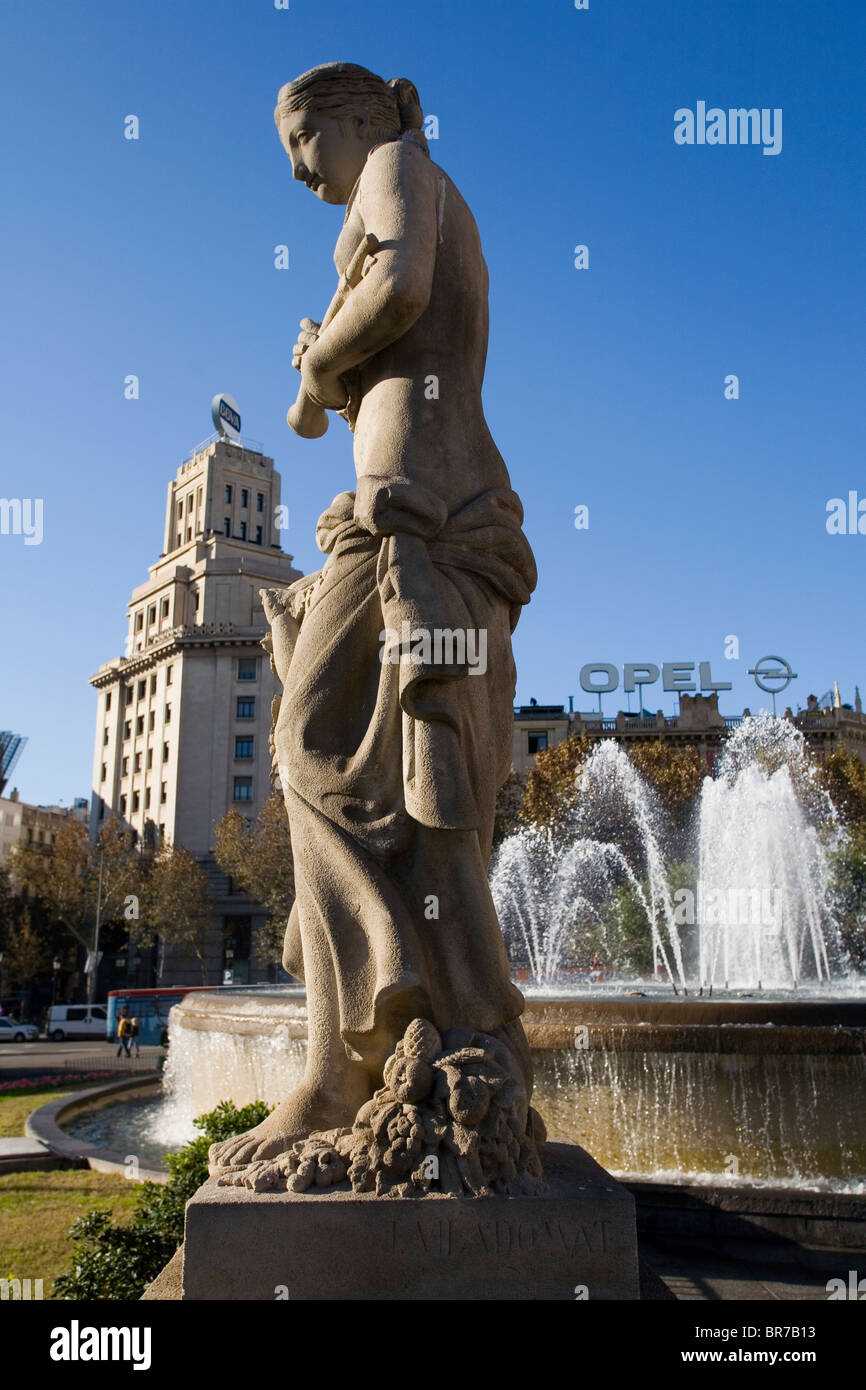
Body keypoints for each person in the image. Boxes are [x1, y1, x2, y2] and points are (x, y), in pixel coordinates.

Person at [211, 62, 537, 1173]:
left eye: (304, 136)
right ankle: (421, 1017)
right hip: (416, 499)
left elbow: (393, 298)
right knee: (399, 771)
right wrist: (322, 373)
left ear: (361, 115)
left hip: (415, 506)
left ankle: (339, 1063)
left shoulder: (401, 166)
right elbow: (327, 399)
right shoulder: (400, 197)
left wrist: (319, 358)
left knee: (309, 743)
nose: (299, 168)